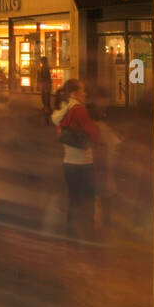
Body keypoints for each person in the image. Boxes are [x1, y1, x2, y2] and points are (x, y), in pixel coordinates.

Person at [50, 78, 102, 240]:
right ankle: (88, 237)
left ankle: (71, 236)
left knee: (74, 201)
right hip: (83, 163)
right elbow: (95, 134)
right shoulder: (79, 109)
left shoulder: (64, 109)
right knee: (87, 202)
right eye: (82, 90)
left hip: (68, 163)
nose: (85, 93)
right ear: (74, 93)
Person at [38, 56, 53, 121]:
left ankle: (46, 109)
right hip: (47, 84)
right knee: (46, 96)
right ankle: (47, 108)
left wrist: (41, 80)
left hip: (45, 84)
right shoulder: (45, 68)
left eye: (41, 61)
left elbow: (44, 77)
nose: (41, 62)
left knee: (45, 97)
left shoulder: (44, 68)